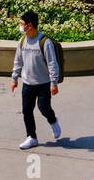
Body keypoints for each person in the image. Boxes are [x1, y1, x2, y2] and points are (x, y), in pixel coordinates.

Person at [10, 10, 62, 150]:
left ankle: (53, 121)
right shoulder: (22, 41)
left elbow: (52, 63)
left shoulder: (44, 42)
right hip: (27, 83)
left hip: (43, 83)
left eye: (22, 24)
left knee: (43, 108)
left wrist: (54, 83)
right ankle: (32, 137)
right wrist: (14, 78)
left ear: (30, 25)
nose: (20, 26)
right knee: (27, 111)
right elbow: (18, 61)